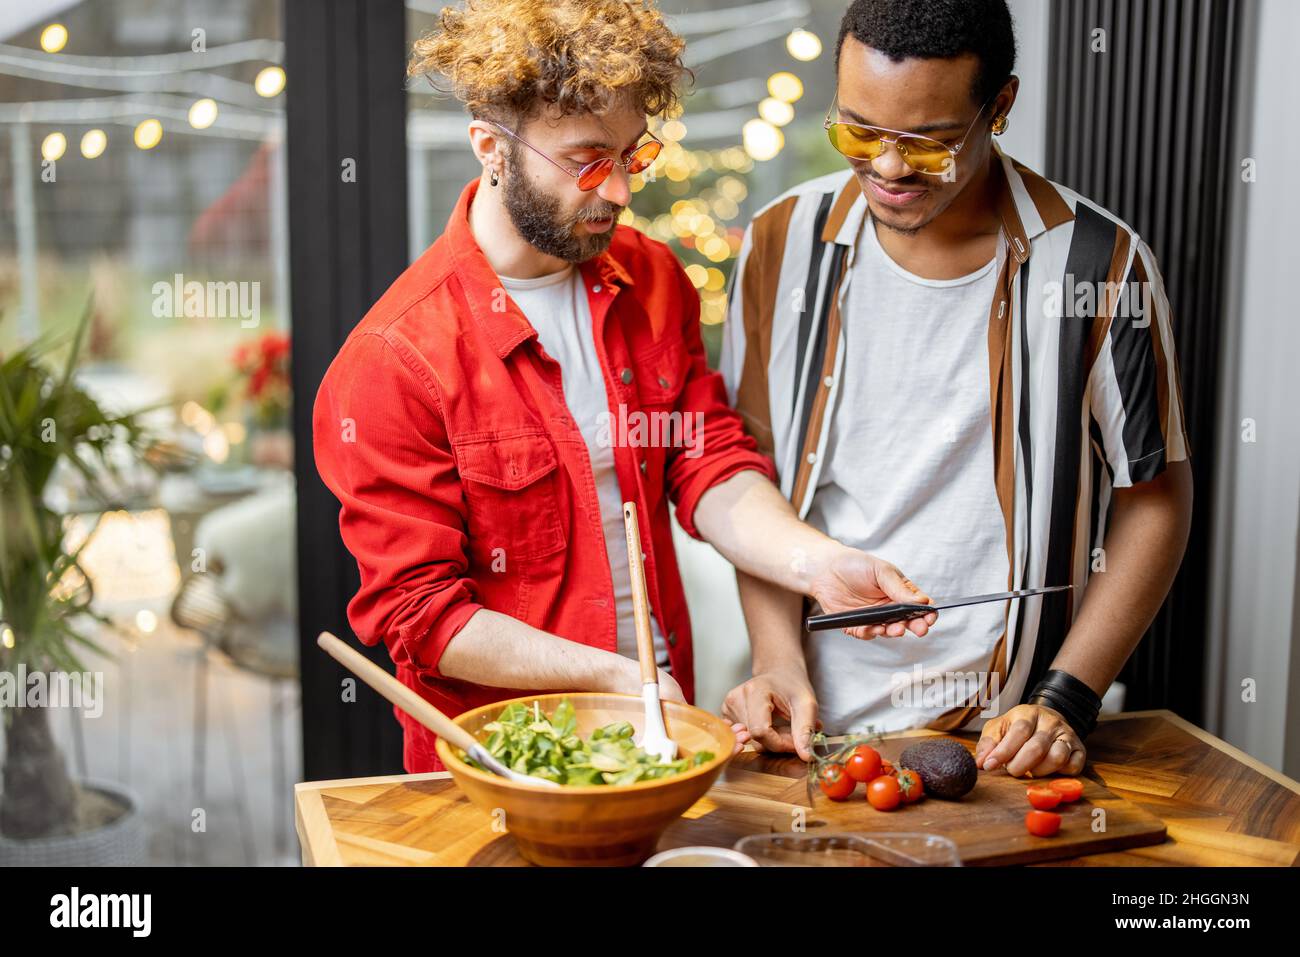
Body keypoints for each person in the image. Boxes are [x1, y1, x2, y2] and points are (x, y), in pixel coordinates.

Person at [312, 0, 935, 773]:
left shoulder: (653, 279)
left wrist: (817, 564)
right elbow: (424, 615)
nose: (618, 193)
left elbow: (706, 463)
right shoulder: (393, 360)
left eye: (632, 156)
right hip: (505, 765)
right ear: (491, 148)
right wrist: (615, 674)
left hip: (659, 738)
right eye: (586, 161)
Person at [720, 0, 1193, 777]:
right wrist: (778, 661)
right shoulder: (779, 244)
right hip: (813, 726)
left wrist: (1067, 697)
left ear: (998, 106)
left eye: (929, 143)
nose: (890, 168)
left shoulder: (1100, 267)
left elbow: (1156, 493)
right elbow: (755, 482)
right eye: (859, 131)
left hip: (1009, 737)